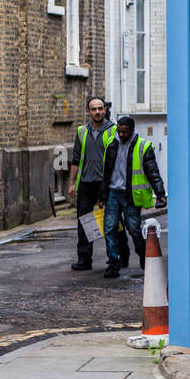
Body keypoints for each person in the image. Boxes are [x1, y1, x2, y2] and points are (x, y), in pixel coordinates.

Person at [100, 115, 168, 278]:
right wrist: (102, 195)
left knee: (134, 230)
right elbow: (106, 172)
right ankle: (113, 264)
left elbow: (153, 172)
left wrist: (160, 194)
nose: (121, 135)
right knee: (109, 228)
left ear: (132, 130)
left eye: (124, 132)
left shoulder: (143, 147)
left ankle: (145, 259)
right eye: (119, 131)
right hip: (112, 193)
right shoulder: (111, 144)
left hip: (131, 196)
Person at [68, 96, 116, 271]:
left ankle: (116, 259)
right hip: (87, 183)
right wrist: (72, 183)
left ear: (105, 110)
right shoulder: (82, 131)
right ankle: (84, 259)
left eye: (100, 108)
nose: (97, 112)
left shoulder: (114, 131)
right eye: (94, 109)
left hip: (107, 184)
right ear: (88, 112)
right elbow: (75, 159)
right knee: (84, 222)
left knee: (112, 222)